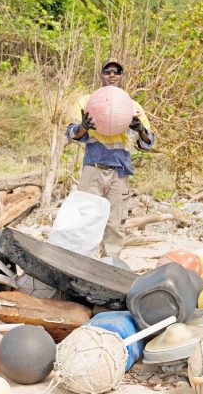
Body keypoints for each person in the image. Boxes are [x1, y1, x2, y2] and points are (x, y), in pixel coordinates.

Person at [65, 60, 155, 257]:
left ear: (122, 76)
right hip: (93, 167)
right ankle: (80, 264)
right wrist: (84, 126)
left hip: (120, 170)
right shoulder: (86, 102)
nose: (112, 75)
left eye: (117, 72)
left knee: (115, 223)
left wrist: (140, 130)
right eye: (108, 71)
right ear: (101, 75)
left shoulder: (132, 106)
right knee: (86, 221)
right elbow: (72, 134)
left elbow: (149, 141)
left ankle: (110, 266)